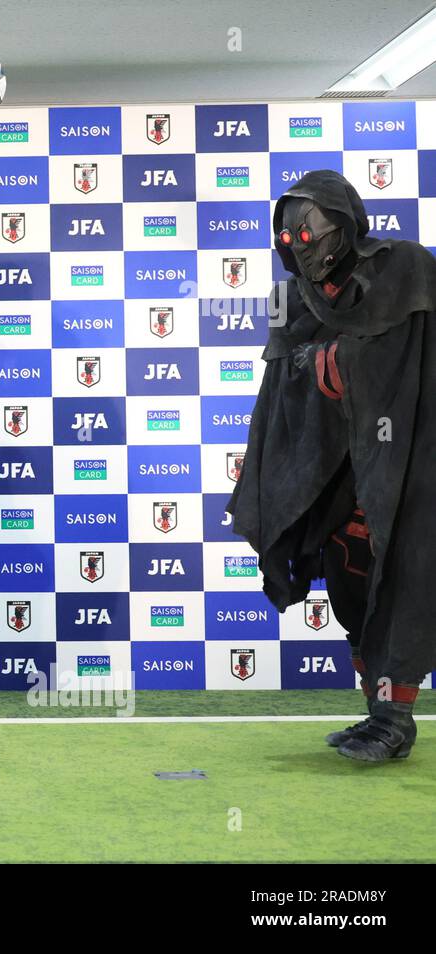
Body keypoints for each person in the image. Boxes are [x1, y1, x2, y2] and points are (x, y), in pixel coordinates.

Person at [231, 169, 436, 761]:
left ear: (343, 228)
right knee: (350, 573)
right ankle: (378, 712)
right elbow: (280, 386)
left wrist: (337, 360)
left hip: (411, 459)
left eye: (311, 233)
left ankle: (396, 716)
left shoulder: (404, 268)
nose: (302, 246)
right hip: (339, 464)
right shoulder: (292, 297)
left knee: (404, 574)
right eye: (290, 238)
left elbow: (401, 357)